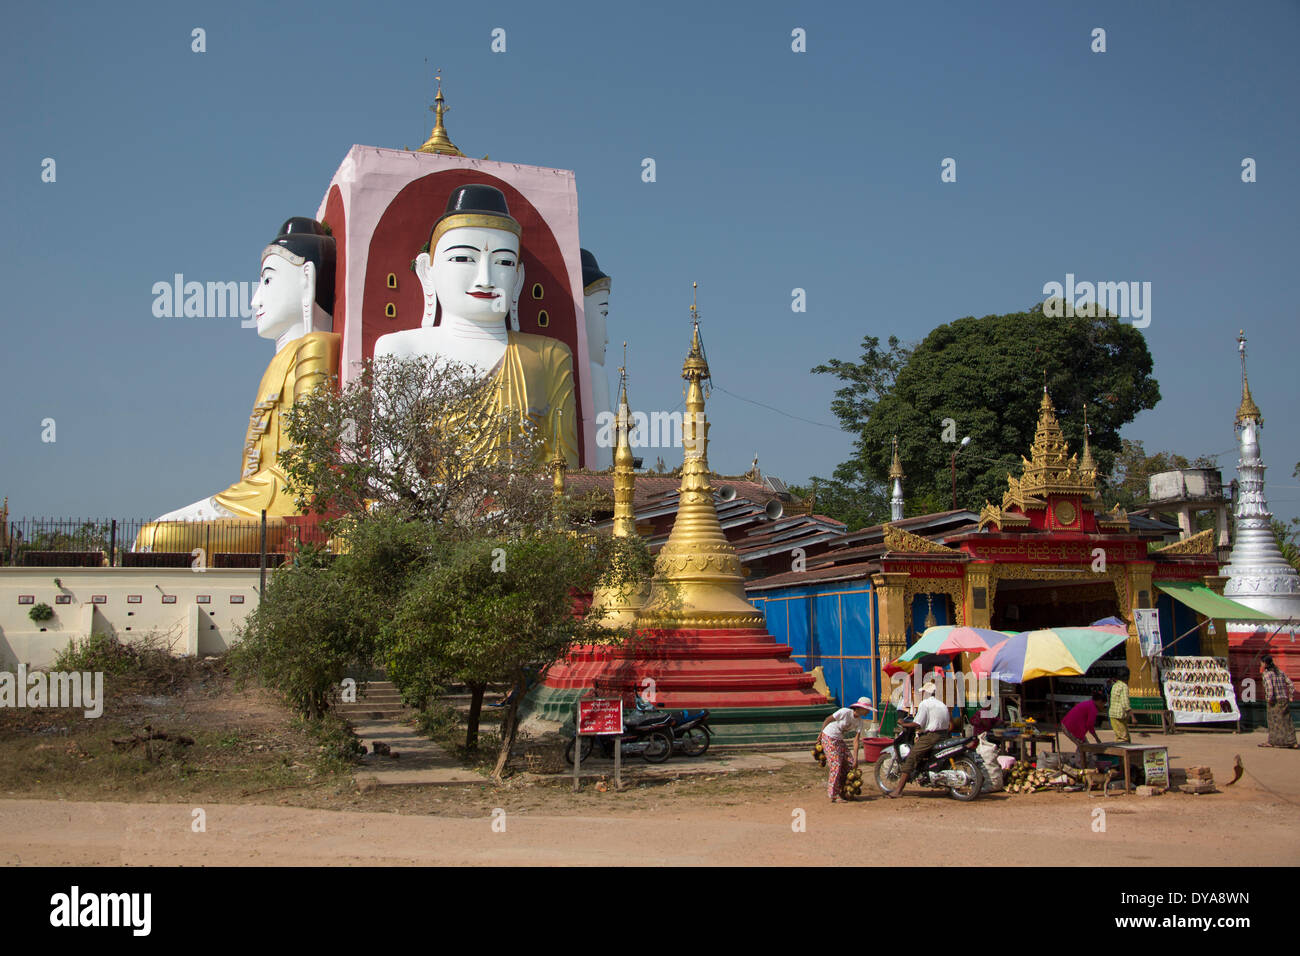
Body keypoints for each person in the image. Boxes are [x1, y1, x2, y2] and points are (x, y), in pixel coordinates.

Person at [887, 681, 950, 798]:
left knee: (911, 757)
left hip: (931, 736)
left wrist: (903, 724)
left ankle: (898, 790)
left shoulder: (925, 704)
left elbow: (917, 723)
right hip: (944, 735)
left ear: (926, 693)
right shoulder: (942, 704)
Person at [818, 697, 874, 803]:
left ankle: (844, 791)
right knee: (836, 764)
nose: (868, 712)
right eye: (867, 709)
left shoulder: (860, 722)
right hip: (828, 736)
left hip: (839, 739)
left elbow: (856, 741)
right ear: (861, 708)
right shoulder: (845, 712)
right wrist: (821, 733)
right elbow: (828, 719)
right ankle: (833, 794)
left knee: (850, 763)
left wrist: (856, 759)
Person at [1260, 656, 1297, 749]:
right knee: (1287, 721)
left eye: (1261, 663)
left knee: (1273, 722)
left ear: (1265, 663)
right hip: (1284, 699)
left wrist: (1269, 698)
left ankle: (1272, 741)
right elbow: (1291, 684)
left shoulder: (1267, 674)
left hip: (1274, 700)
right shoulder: (1280, 672)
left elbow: (1269, 687)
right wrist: (1291, 696)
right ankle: (1293, 742)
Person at [1061, 692, 1105, 766]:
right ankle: (1080, 767)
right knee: (1085, 749)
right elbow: (1090, 725)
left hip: (1070, 726)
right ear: (1099, 702)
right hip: (1071, 728)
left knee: (1083, 747)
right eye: (1103, 704)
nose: (1103, 706)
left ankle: (1078, 763)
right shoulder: (1093, 708)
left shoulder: (1089, 704)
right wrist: (1097, 738)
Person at [1108, 668, 1133, 743]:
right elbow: (1125, 703)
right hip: (1119, 715)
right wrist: (1132, 716)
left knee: (1120, 736)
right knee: (1123, 738)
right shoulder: (1124, 686)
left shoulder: (1115, 685)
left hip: (1112, 714)